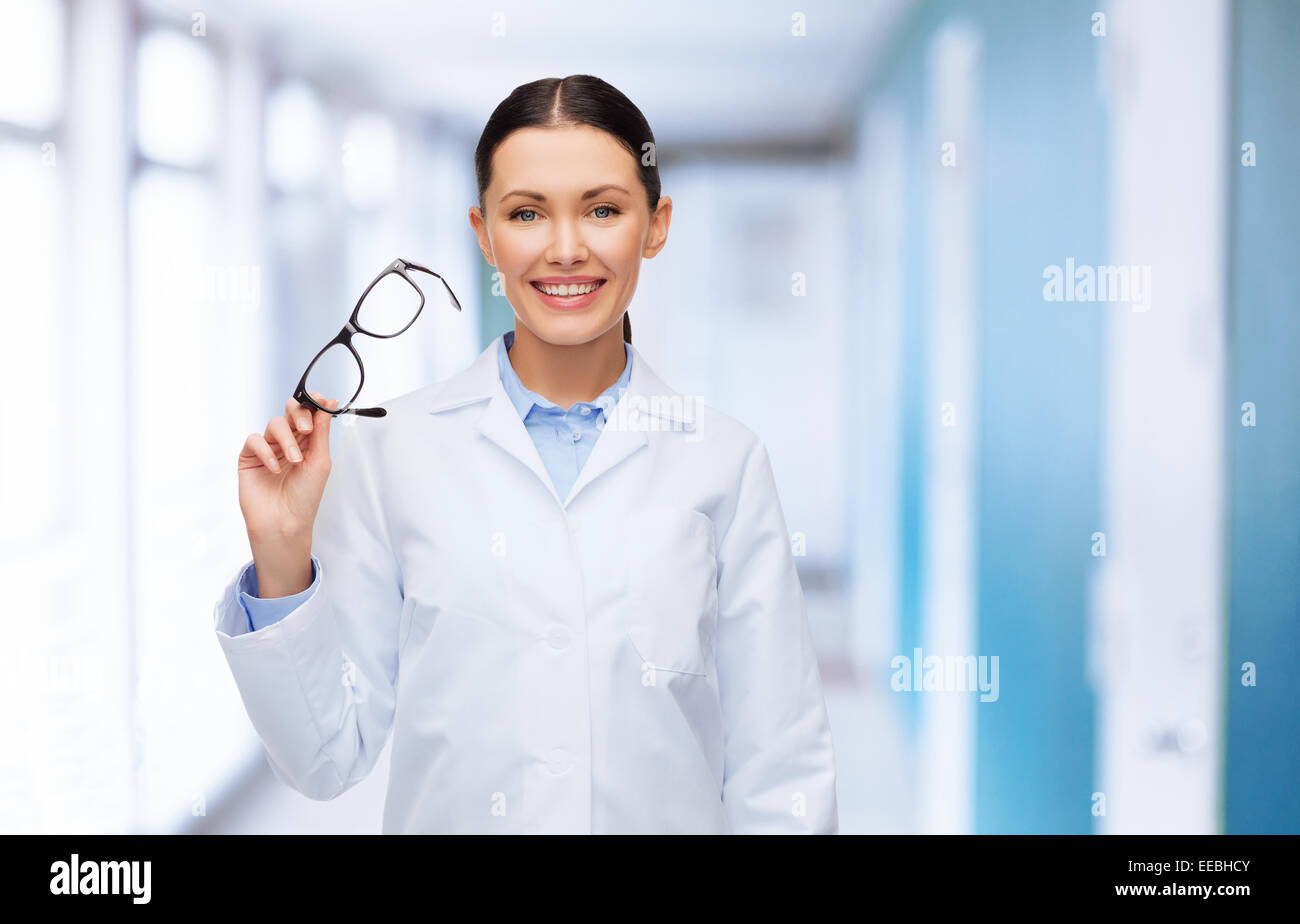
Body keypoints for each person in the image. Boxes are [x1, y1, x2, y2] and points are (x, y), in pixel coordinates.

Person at [214, 74, 838, 834]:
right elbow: (323, 758)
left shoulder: (724, 463)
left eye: (604, 210)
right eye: (527, 213)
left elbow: (781, 765)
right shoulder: (389, 453)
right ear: (483, 234)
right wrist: (281, 560)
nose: (566, 248)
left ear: (656, 224)